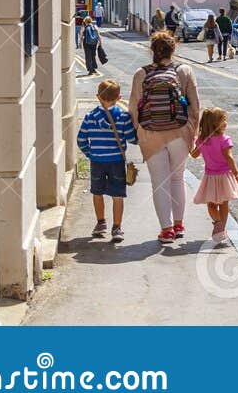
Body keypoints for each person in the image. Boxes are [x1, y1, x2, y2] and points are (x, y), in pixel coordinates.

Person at [130, 30, 200, 245]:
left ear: (152, 50)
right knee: (177, 179)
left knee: (160, 183)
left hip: (151, 134)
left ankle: (166, 230)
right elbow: (195, 106)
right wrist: (193, 133)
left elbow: (134, 108)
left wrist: (139, 132)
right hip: (180, 131)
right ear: (173, 48)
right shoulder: (185, 70)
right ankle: (179, 225)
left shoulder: (141, 74)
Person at [76, 78, 137, 243]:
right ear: (118, 97)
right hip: (116, 161)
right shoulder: (123, 117)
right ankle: (116, 228)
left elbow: (81, 140)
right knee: (118, 195)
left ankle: (101, 223)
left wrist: (91, 154)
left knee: (97, 192)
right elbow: (132, 138)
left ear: (98, 96)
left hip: (97, 162)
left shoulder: (90, 117)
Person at [189, 106, 238, 247]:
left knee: (211, 204)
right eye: (224, 120)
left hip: (210, 177)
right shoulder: (224, 139)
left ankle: (218, 223)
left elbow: (194, 155)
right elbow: (229, 158)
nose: (226, 122)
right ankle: (221, 228)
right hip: (225, 176)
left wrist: (191, 143)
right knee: (224, 203)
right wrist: (237, 173)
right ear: (216, 124)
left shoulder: (202, 140)